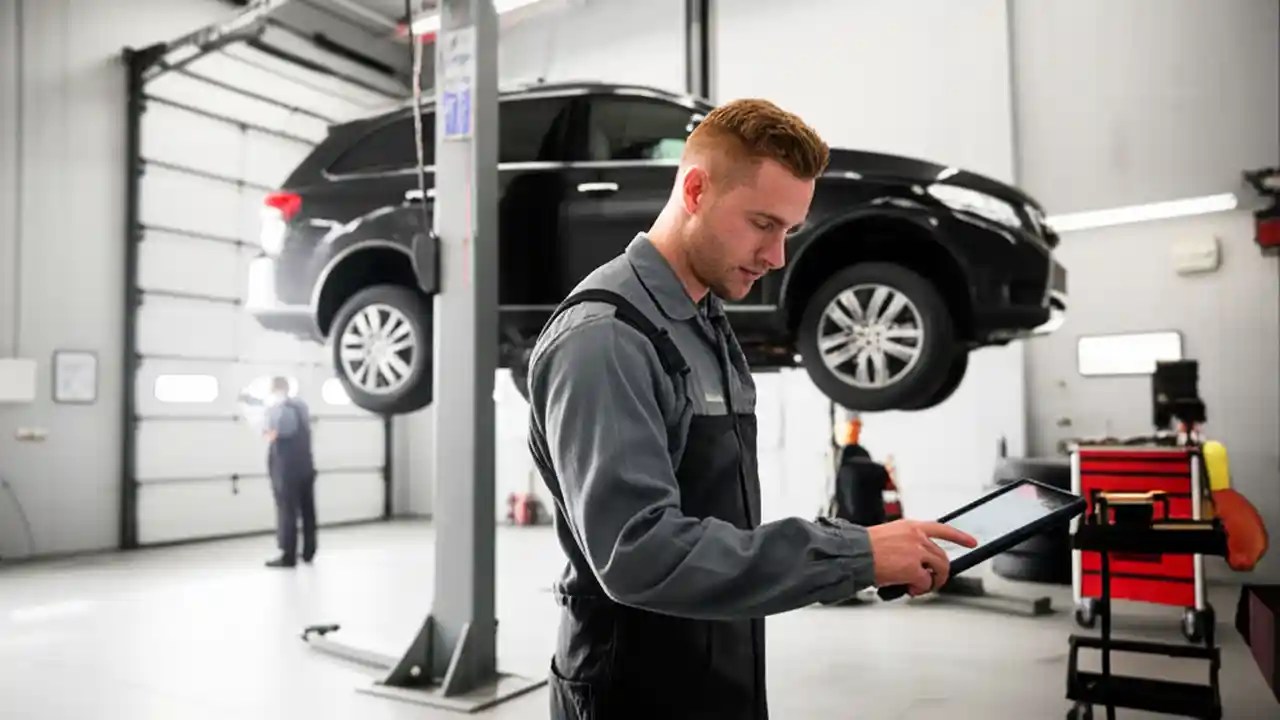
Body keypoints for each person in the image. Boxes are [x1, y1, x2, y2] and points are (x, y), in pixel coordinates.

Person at [525, 98, 978, 720]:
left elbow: (714, 519)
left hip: (717, 670)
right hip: (631, 691)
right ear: (695, 189)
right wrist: (852, 555)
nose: (777, 256)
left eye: (789, 230)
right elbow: (640, 552)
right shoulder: (606, 339)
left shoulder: (705, 322)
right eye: (763, 223)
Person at [263, 377, 317, 568]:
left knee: (287, 511)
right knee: (308, 510)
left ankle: (288, 555)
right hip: (306, 466)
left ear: (276, 389)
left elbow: (274, 434)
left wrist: (266, 431)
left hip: (287, 468)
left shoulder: (278, 408)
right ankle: (309, 552)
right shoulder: (302, 406)